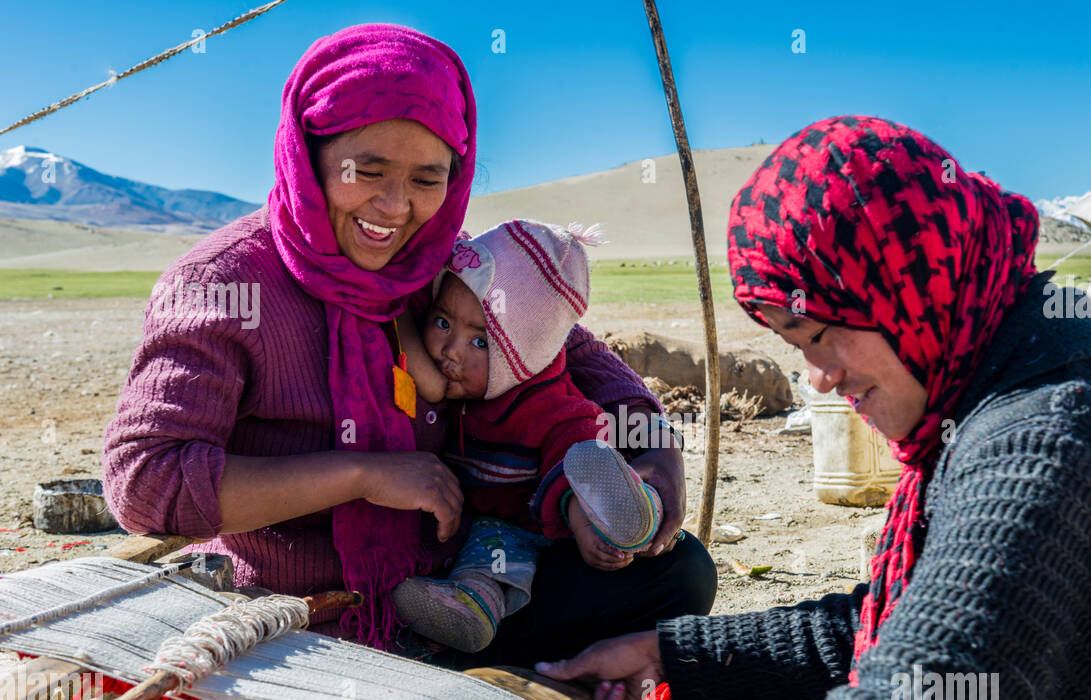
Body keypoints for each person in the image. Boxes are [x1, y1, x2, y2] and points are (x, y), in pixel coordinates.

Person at [354, 116, 1091, 700]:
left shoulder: (1051, 446)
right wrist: (674, 657)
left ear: (898, 287)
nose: (815, 380)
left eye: (818, 337)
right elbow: (902, 629)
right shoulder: (1005, 394)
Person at [101, 24, 715, 657]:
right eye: (367, 171)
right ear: (308, 155)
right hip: (296, 618)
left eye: (428, 179)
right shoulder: (222, 284)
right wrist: (364, 474)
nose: (395, 208)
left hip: (455, 579)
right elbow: (147, 484)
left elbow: (566, 346)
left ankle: (470, 668)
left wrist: (651, 439)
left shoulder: (439, 263)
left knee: (677, 574)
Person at [392, 219, 666, 653]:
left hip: (523, 521)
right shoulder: (467, 389)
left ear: (523, 355)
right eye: (443, 323)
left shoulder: (547, 405)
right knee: (483, 551)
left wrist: (582, 522)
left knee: (498, 551)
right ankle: (468, 609)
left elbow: (574, 462)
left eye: (480, 343)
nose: (451, 350)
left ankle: (635, 513)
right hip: (477, 517)